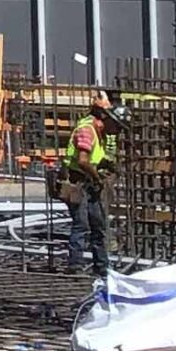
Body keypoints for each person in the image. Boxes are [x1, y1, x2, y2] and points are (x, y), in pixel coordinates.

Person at [61, 97, 124, 279]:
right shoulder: (87, 130)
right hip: (77, 181)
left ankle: (102, 268)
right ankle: (75, 266)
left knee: (98, 224)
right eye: (116, 126)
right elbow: (82, 161)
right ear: (104, 118)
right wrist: (97, 177)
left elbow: (94, 157)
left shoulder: (99, 132)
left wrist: (107, 164)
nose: (116, 131)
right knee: (81, 224)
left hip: (88, 182)